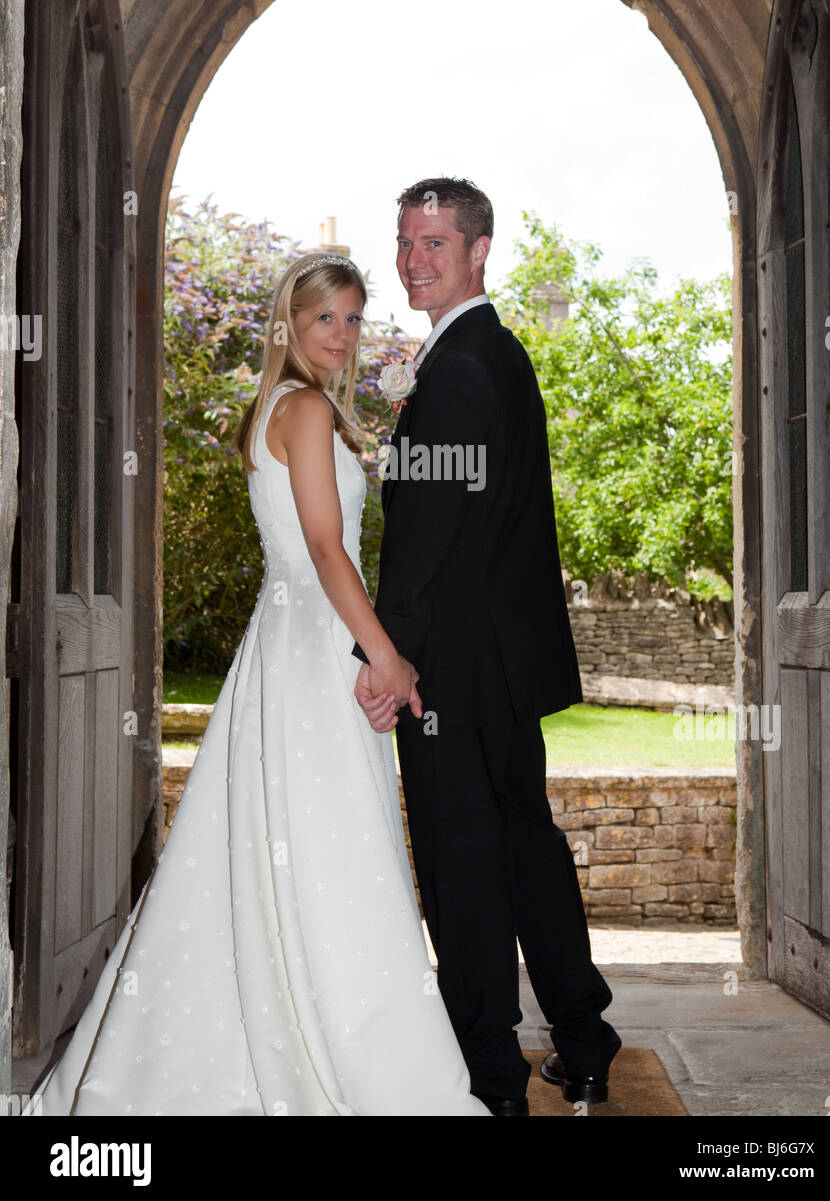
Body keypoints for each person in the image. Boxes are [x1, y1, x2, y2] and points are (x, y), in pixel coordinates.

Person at [24, 251, 491, 1117]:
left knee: (298, 848)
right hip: (314, 651)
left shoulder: (273, 408)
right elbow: (324, 549)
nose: (345, 337)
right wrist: (384, 656)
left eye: (354, 319)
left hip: (287, 647)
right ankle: (351, 1052)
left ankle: (288, 1023)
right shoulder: (306, 410)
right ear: (289, 323)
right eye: (327, 320)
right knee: (333, 849)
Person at [353, 178, 622, 1117]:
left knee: (464, 866)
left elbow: (424, 536)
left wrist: (385, 660)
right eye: (405, 242)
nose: (413, 260)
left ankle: (490, 1076)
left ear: (479, 251)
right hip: (502, 666)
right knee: (525, 851)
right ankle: (585, 1045)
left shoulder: (460, 368)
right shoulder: (497, 355)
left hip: (451, 672)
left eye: (434, 243)